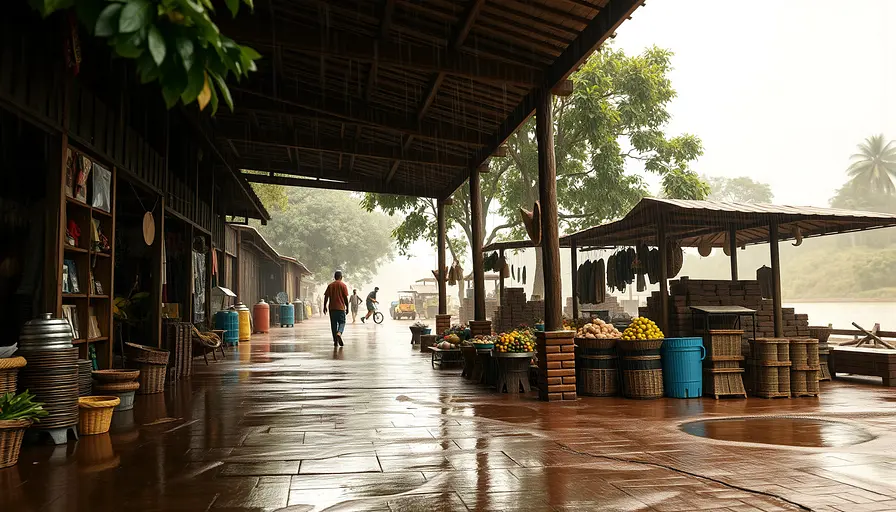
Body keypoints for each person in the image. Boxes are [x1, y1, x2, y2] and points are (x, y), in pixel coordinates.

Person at [323, 271, 349, 347]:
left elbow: (326, 296)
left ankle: (335, 341)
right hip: (341, 308)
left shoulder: (330, 285)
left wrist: (324, 306)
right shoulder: (343, 285)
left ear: (334, 277)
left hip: (332, 308)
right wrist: (347, 307)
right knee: (342, 322)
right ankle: (339, 333)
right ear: (341, 277)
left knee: (333, 325)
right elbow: (345, 298)